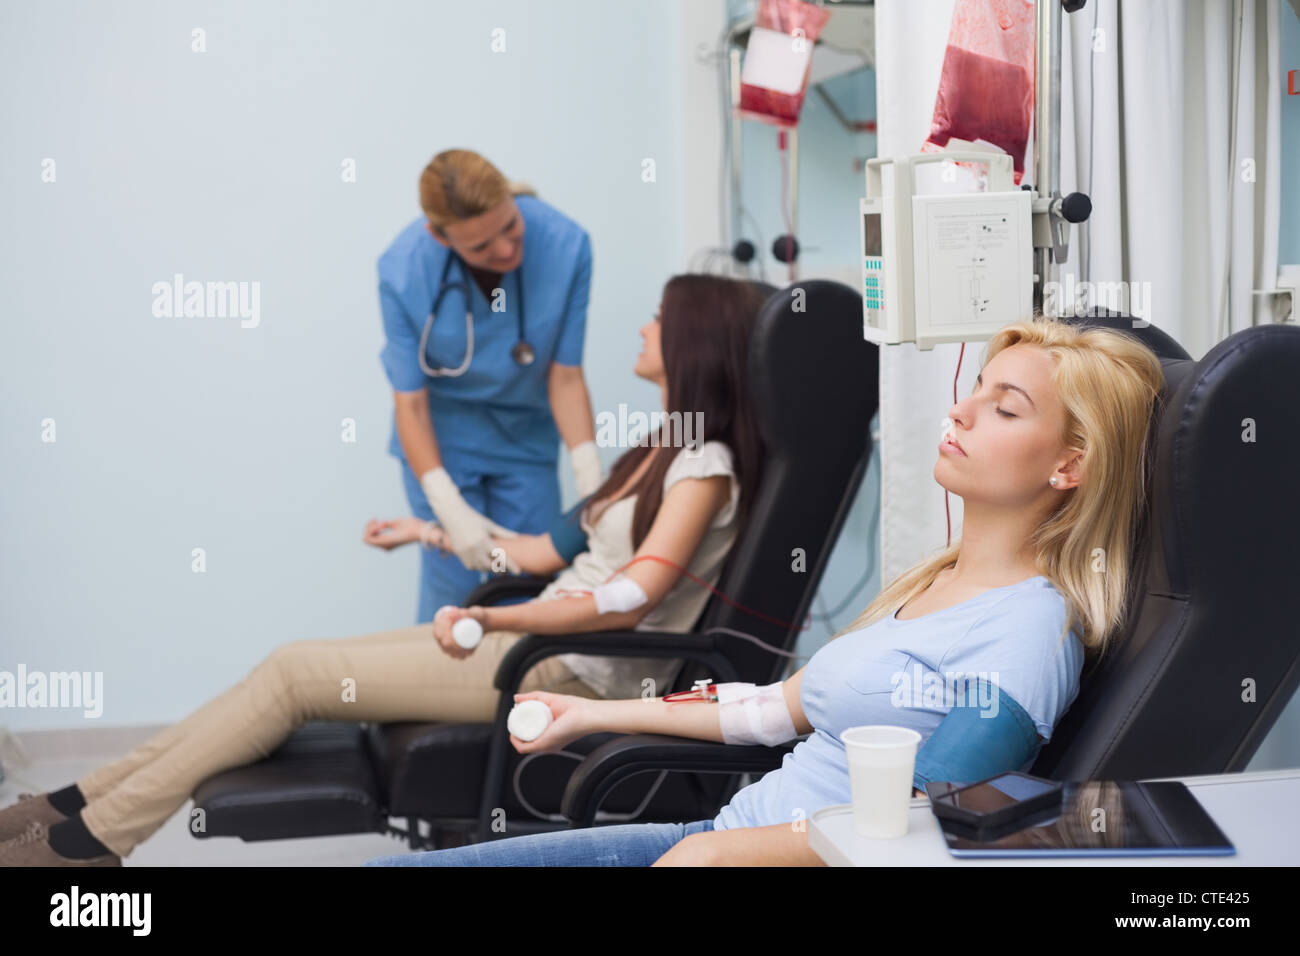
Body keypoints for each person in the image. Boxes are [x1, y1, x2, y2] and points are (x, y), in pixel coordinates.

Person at [0, 274, 769, 867]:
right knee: (290, 667)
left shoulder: (703, 466)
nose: (645, 327)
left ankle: (92, 840)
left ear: (694, 343)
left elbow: (629, 600)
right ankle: (73, 805)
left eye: (661, 320)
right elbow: (538, 555)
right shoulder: (654, 453)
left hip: (568, 674)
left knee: (299, 674)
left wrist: (493, 618)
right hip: (542, 649)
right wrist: (429, 532)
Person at [363, 315, 1165, 866]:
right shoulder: (937, 583)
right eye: (977, 386)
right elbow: (765, 712)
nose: (961, 408)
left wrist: (720, 852)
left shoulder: (1027, 632)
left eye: (1004, 406)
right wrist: (596, 714)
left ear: (1070, 466)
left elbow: (929, 823)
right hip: (722, 838)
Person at [378, 148, 601, 622]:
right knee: (452, 596)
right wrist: (446, 507)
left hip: (524, 440)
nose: (504, 250)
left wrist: (592, 483)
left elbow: (565, 377)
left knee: (527, 588)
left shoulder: (566, 245)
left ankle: (524, 699)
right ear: (438, 237)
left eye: (510, 227)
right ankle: (439, 694)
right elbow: (410, 405)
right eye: (480, 247)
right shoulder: (402, 271)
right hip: (443, 441)